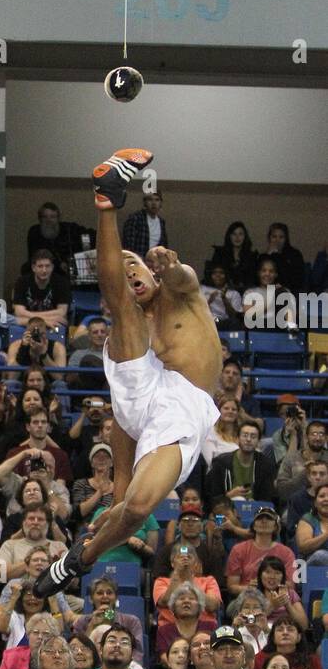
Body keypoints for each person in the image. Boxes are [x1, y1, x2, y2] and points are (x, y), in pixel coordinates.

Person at [35, 150, 221, 602]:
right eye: (127, 265)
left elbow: (182, 275)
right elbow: (122, 436)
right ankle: (106, 202)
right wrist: (111, 507)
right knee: (123, 311)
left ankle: (78, 559)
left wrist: (168, 263)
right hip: (135, 399)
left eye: (138, 264)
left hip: (181, 404)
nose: (134, 270)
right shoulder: (133, 323)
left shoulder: (181, 295)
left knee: (137, 509)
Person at [71, 575, 144, 660]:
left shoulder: (132, 621)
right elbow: (76, 656)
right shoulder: (81, 622)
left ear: (116, 598)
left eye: (109, 593)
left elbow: (137, 655)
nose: (105, 596)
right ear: (91, 599)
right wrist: (91, 626)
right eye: (99, 593)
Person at [225, 507, 295, 593]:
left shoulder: (286, 553)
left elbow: (290, 585)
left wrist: (267, 585)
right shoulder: (238, 549)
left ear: (275, 527)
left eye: (269, 519)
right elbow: (232, 586)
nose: (264, 521)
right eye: (259, 518)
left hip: (277, 598)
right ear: (253, 526)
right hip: (247, 599)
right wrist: (249, 589)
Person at [205, 422, 276, 505]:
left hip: (256, 512)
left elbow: (267, 499)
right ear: (237, 438)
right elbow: (211, 499)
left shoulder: (266, 465)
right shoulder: (220, 463)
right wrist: (228, 496)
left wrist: (255, 504)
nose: (248, 439)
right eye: (245, 435)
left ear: (258, 442)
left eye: (253, 436)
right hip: (225, 511)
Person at [11, 251, 71, 330]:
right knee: (17, 321)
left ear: (52, 267)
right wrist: (45, 320)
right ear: (33, 268)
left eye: (47, 266)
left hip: (47, 323)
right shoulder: (22, 282)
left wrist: (30, 315)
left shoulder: (62, 282)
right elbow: (18, 312)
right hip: (29, 322)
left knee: (61, 321)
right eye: (40, 266)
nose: (44, 270)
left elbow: (62, 312)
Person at [206, 220, 257, 287]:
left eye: (240, 234)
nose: (237, 237)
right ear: (229, 236)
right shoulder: (220, 253)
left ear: (245, 237)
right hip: (222, 289)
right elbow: (214, 273)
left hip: (245, 291)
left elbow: (252, 278)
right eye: (234, 234)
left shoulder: (251, 256)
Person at [121, 186, 167, 257]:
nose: (154, 203)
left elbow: (163, 246)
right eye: (150, 200)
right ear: (145, 202)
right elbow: (128, 245)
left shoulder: (161, 222)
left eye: (157, 200)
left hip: (155, 262)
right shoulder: (136, 218)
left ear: (161, 203)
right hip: (138, 260)